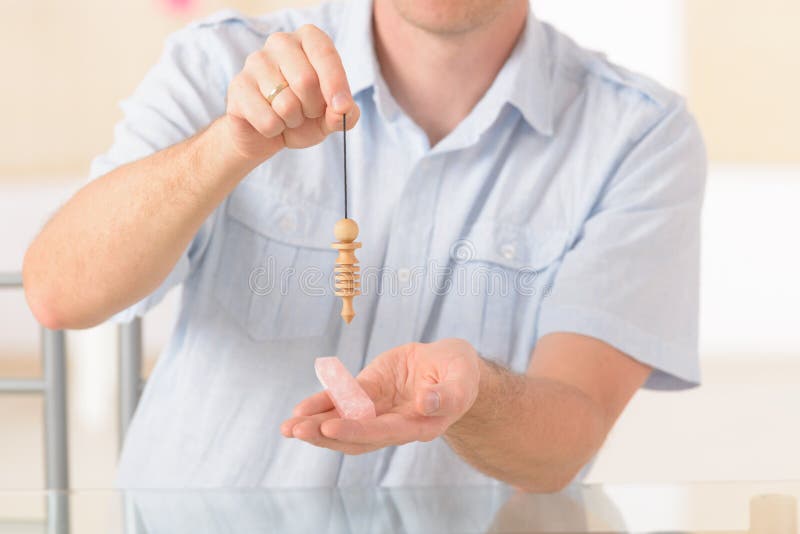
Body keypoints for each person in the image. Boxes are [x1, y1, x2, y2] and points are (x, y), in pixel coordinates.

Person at [22, 0, 706, 490]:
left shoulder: (639, 136)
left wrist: (475, 397)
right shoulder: (220, 61)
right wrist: (225, 146)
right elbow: (60, 294)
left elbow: (566, 441)